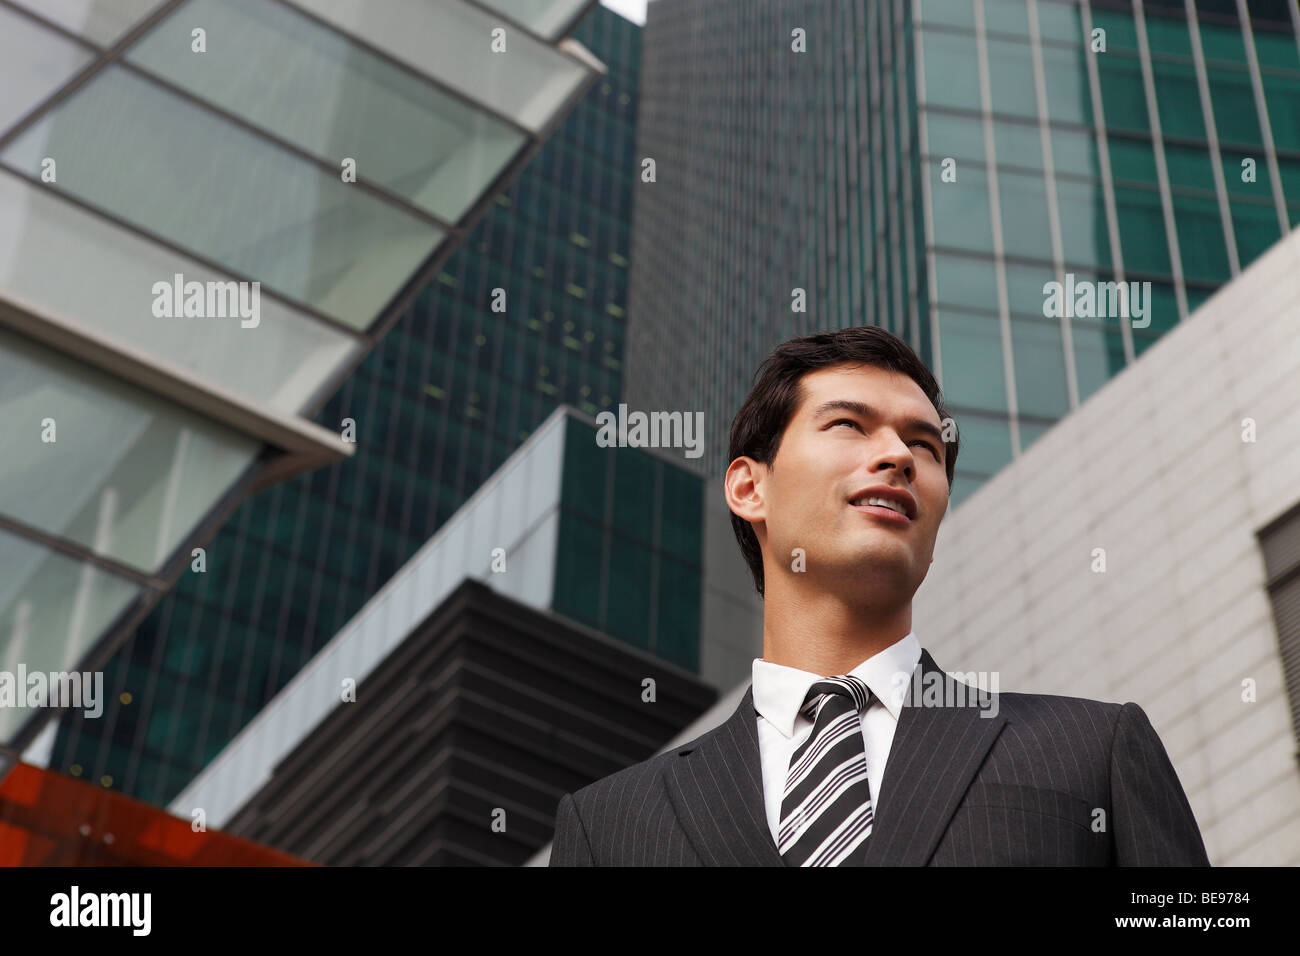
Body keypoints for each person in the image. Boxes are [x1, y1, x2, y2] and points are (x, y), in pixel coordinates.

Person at [550, 326, 1209, 866]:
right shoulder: (610, 828)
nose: (898, 455)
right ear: (750, 488)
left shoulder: (1093, 750)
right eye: (848, 425)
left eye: (924, 444)